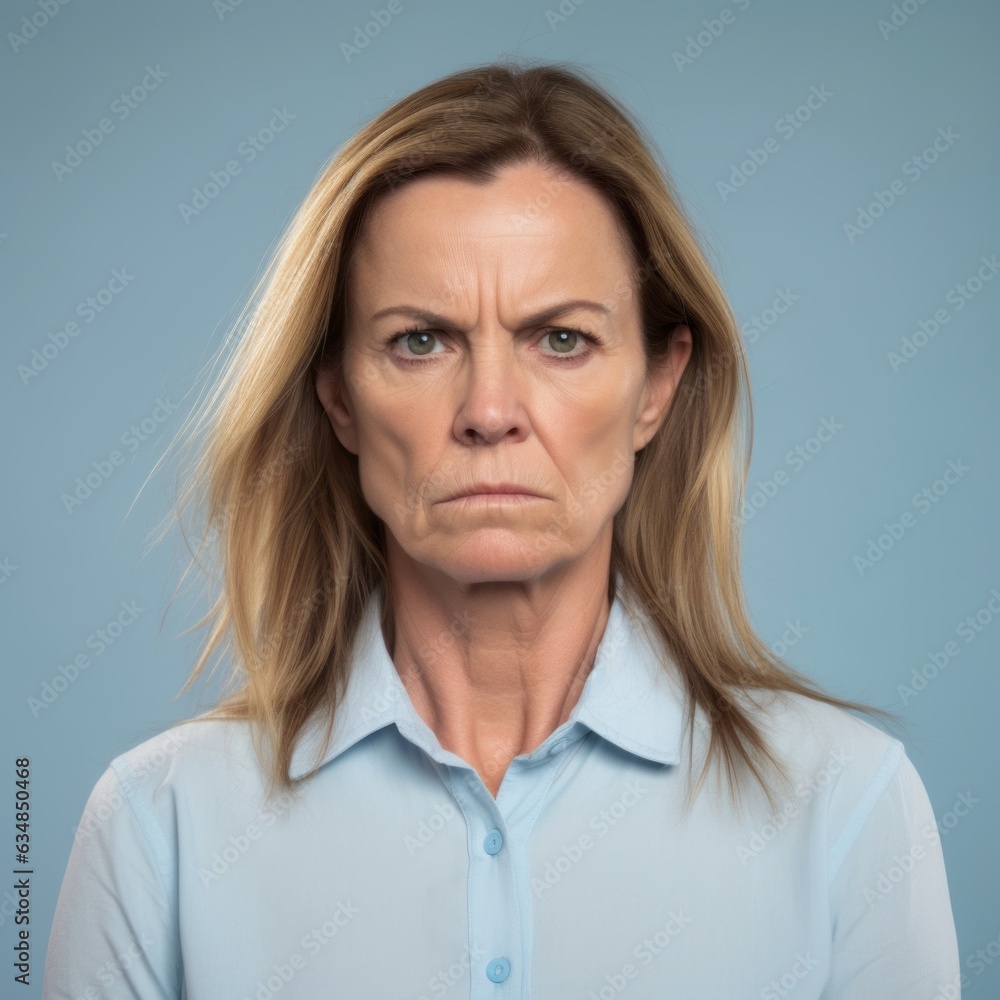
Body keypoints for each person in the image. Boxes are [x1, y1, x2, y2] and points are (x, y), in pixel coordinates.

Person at [42, 59, 959, 998]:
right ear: (339, 398)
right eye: (420, 340)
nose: (488, 410)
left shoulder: (847, 807)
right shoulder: (160, 827)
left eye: (561, 338)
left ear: (657, 385)